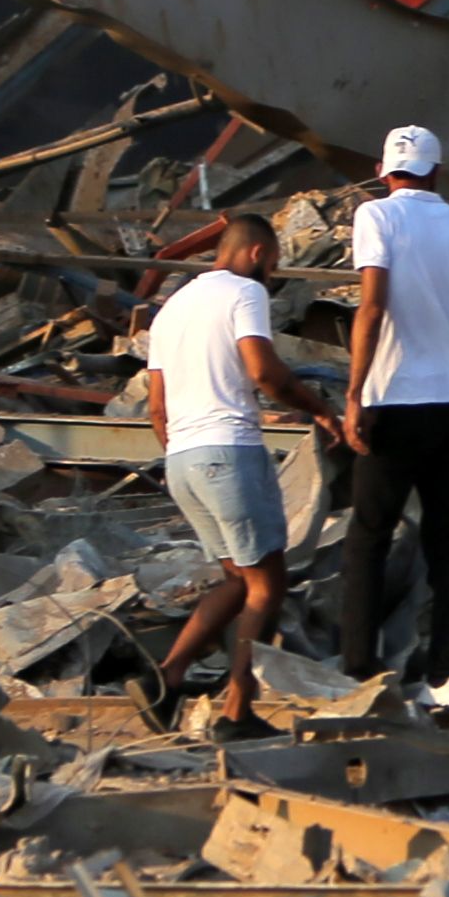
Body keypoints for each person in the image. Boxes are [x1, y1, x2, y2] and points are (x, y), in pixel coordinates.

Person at [140, 209, 341, 733]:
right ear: (257, 253)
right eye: (272, 264)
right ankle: (237, 710)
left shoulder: (170, 309)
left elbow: (155, 407)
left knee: (237, 578)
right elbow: (262, 370)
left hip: (181, 458)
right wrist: (320, 410)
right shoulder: (244, 293)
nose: (271, 276)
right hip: (227, 451)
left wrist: (181, 449)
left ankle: (169, 677)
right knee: (267, 586)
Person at [334, 124, 449, 687]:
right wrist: (442, 315)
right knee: (443, 538)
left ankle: (361, 669)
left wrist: (354, 391)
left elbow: (372, 306)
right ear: (437, 172)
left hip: (395, 395)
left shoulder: (376, 216)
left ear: (386, 172)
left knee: (369, 536)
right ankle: (445, 674)